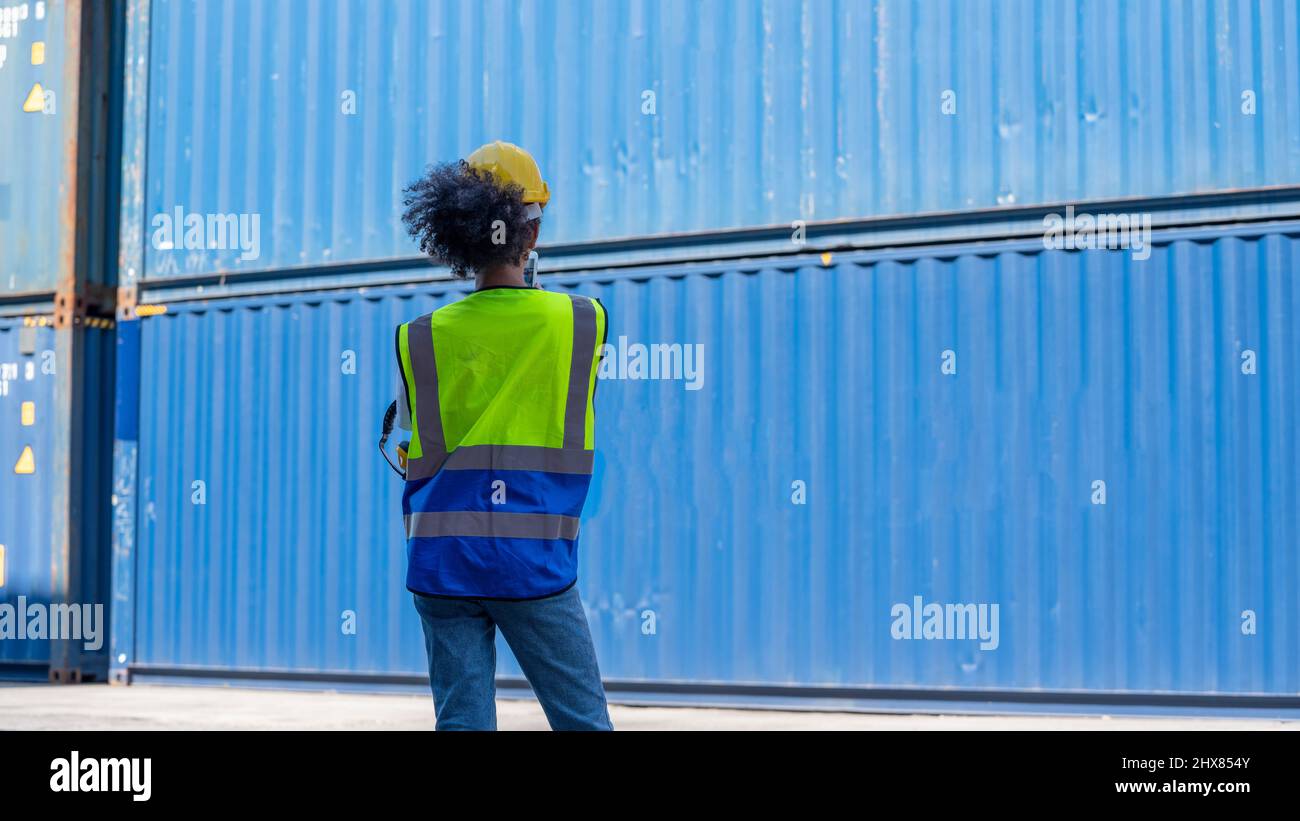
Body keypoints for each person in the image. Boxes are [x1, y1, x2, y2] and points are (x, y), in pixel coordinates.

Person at [394, 141, 612, 731]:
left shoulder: (418, 335)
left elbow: (412, 443)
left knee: (461, 724)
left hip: (442, 560)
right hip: (534, 560)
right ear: (531, 232)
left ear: (454, 237)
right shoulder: (581, 319)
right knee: (583, 723)